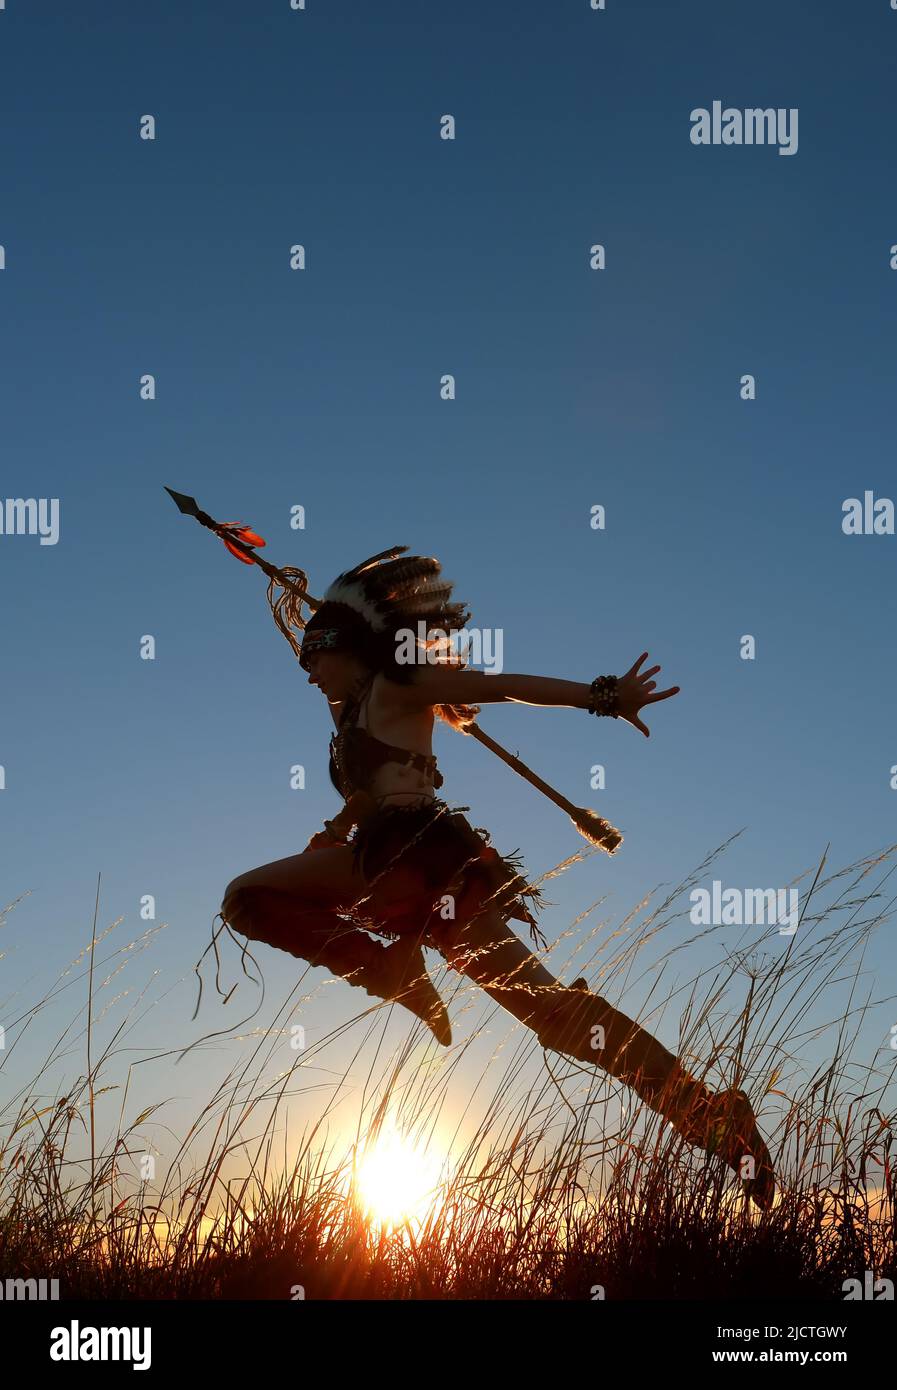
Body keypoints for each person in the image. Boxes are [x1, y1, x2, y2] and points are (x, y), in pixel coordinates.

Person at [220, 547, 775, 1210]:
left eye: (313, 661)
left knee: (553, 1019)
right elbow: (377, 788)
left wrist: (602, 696)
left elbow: (500, 686)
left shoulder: (402, 688)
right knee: (248, 898)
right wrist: (338, 829)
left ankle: (711, 1118)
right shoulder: (349, 715)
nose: (308, 677)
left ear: (344, 648)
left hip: (425, 864)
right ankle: (389, 971)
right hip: (383, 863)